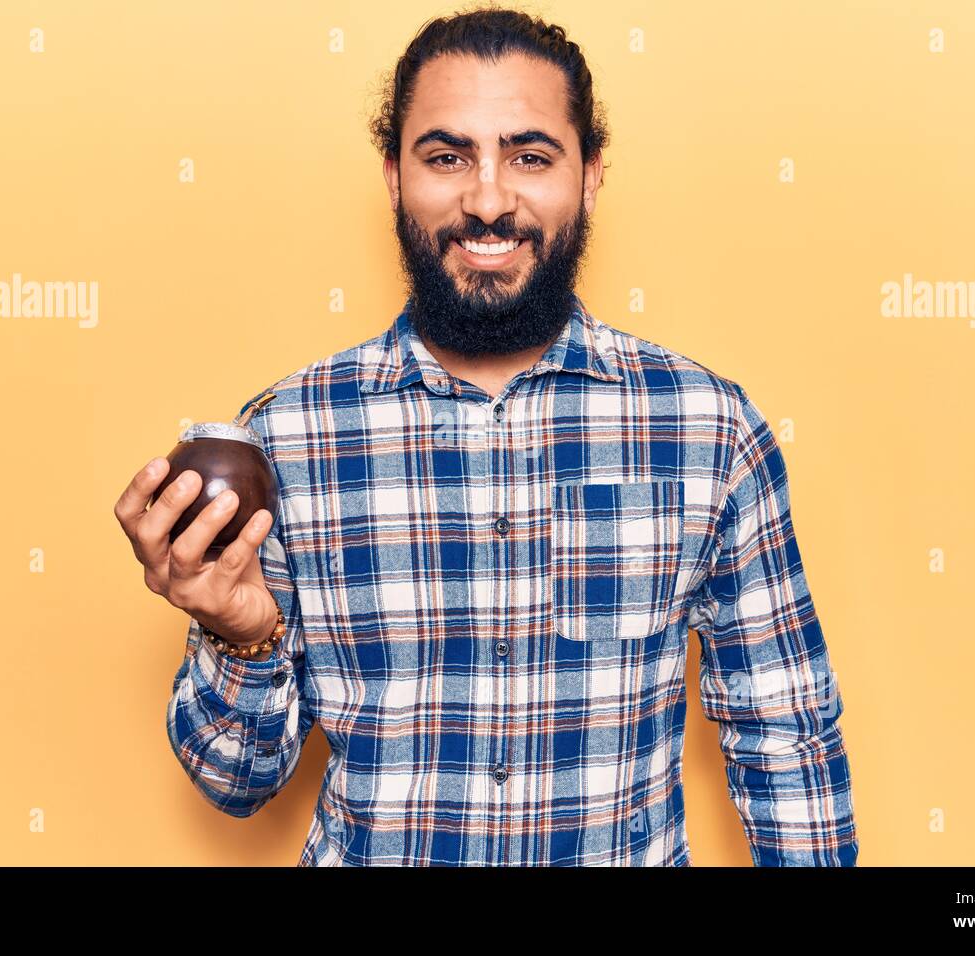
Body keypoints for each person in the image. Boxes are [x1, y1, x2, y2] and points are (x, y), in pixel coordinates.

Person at [113, 6, 858, 866]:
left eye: (530, 156)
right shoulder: (285, 436)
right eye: (447, 157)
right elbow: (233, 781)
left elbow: (784, 734)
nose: (489, 201)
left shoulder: (709, 429)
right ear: (394, 177)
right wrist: (238, 629)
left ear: (591, 175)